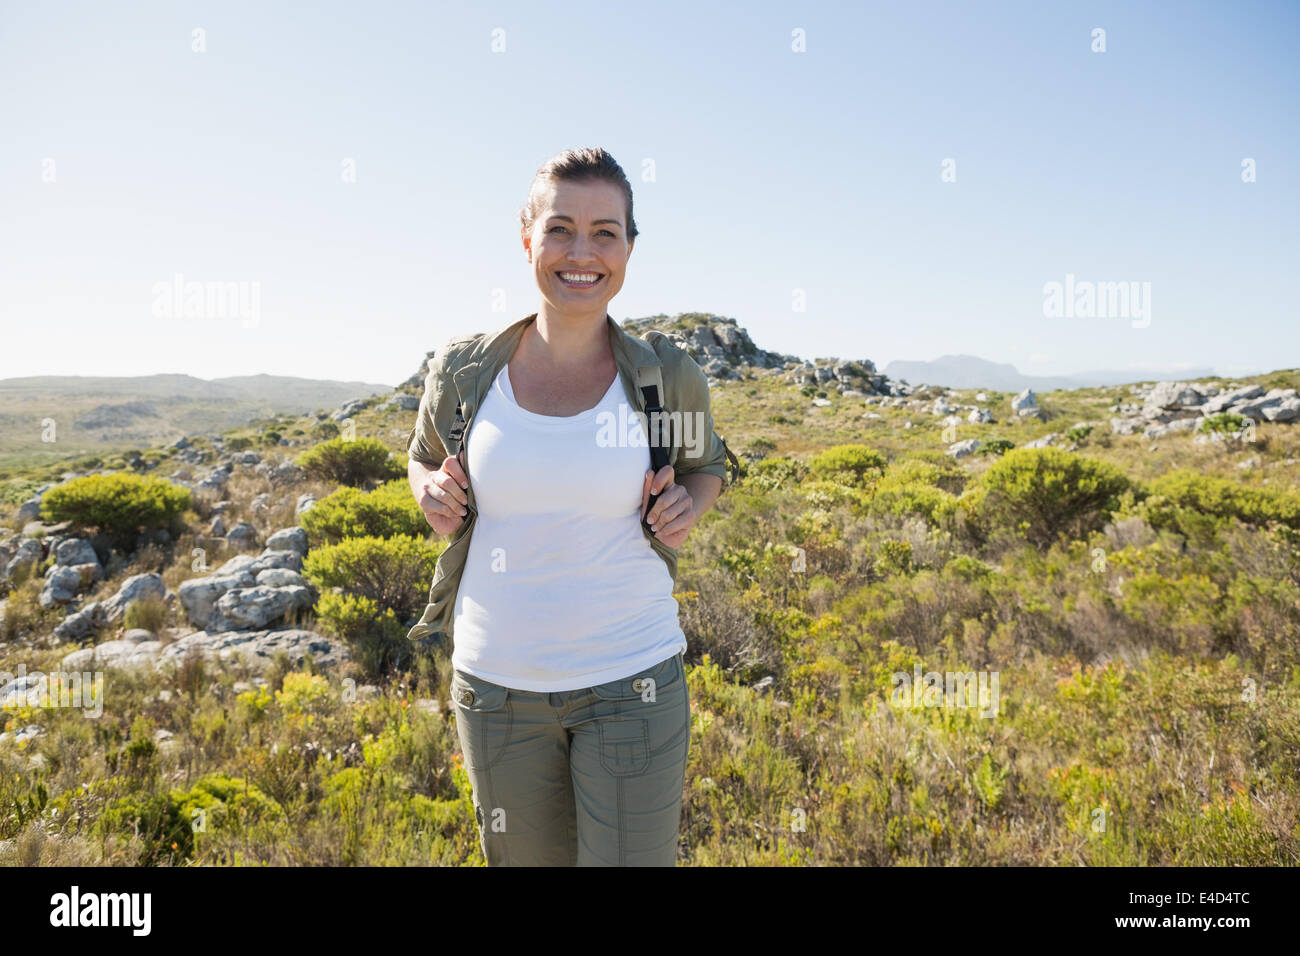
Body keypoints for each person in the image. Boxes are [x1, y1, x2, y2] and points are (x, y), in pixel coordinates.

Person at [404, 147, 738, 865]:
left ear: (629, 248)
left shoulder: (659, 377)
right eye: (560, 228)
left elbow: (705, 465)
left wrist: (690, 503)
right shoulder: (467, 373)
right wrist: (427, 488)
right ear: (526, 236)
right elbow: (424, 455)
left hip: (634, 685)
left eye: (605, 232)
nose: (581, 253)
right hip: (496, 693)